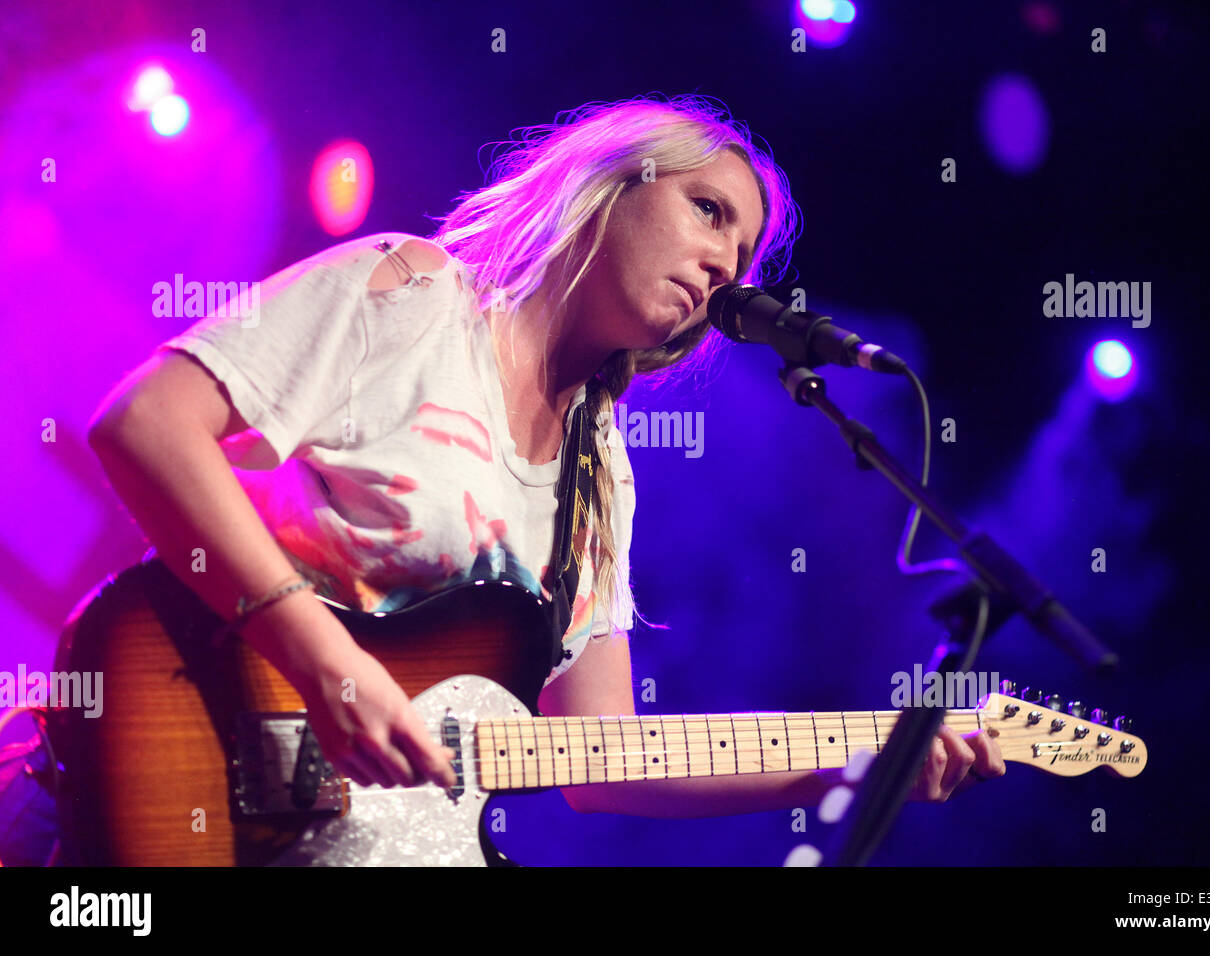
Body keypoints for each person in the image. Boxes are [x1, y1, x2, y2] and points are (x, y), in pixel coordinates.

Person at [84, 94, 1003, 834]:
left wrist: (853, 771)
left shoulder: (600, 470)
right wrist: (330, 666)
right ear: (608, 183)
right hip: (183, 744)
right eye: (708, 210)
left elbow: (600, 762)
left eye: (744, 249)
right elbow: (145, 421)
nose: (726, 261)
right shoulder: (409, 292)